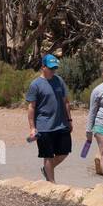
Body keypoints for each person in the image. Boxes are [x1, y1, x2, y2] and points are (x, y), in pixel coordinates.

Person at [26, 54, 73, 182]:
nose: (53, 70)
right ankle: (51, 183)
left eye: (55, 68)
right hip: (43, 126)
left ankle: (47, 169)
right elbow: (31, 107)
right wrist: (32, 128)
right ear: (43, 67)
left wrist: (69, 120)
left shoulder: (59, 81)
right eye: (51, 68)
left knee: (64, 152)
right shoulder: (35, 85)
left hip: (61, 124)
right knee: (47, 155)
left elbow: (66, 101)